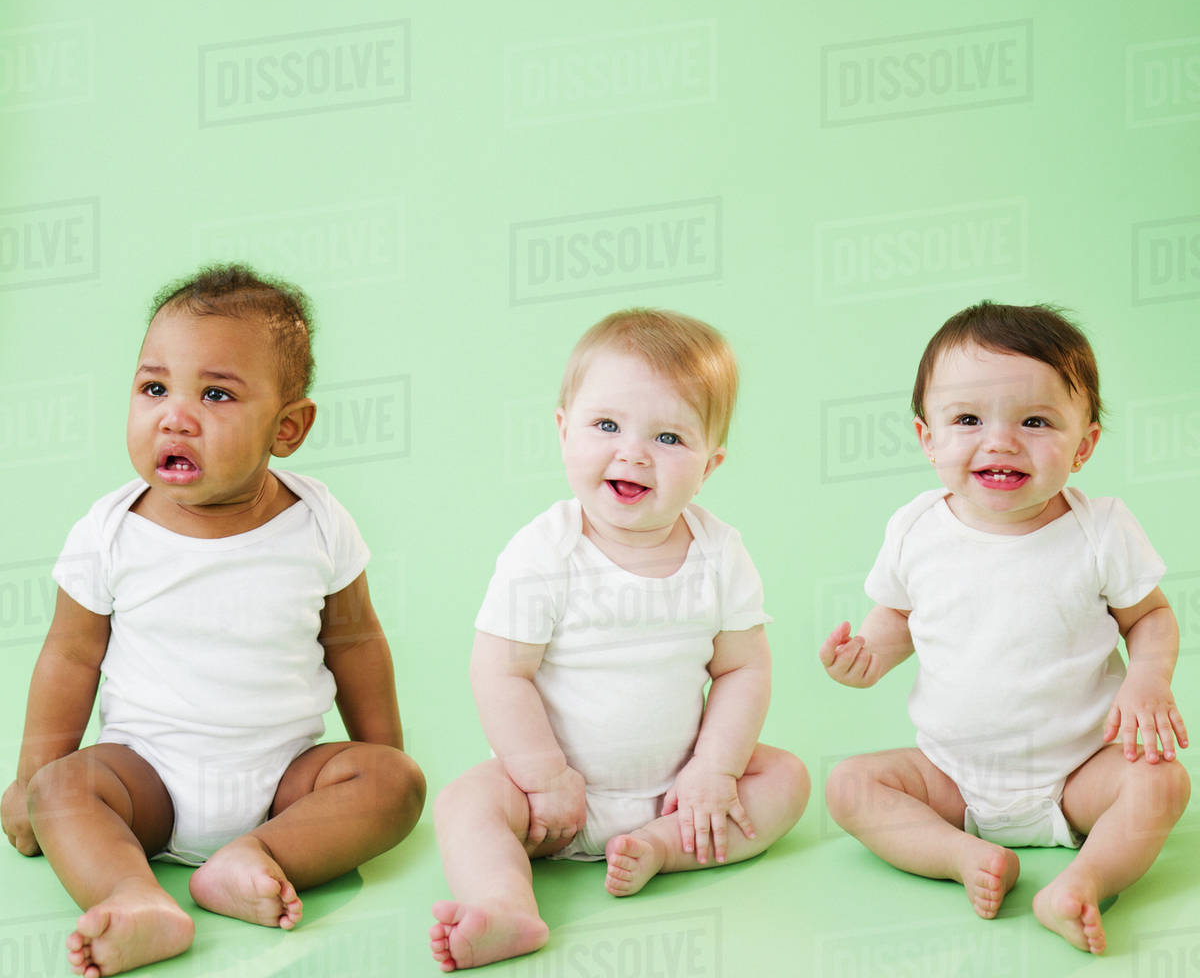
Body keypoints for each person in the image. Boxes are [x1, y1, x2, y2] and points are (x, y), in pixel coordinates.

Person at [1, 264, 425, 978]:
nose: (174, 415)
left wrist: (377, 754)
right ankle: (134, 897)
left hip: (286, 782)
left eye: (217, 394)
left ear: (287, 427)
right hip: (146, 781)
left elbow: (355, 641)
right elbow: (69, 658)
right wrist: (30, 776)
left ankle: (256, 856)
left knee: (399, 783)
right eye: (154, 387)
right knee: (61, 791)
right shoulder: (110, 532)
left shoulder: (317, 522)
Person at [429, 308, 808, 972]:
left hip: (679, 792)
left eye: (668, 437)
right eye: (606, 426)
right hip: (550, 799)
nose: (631, 452)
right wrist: (544, 778)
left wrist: (715, 770)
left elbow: (744, 668)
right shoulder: (545, 550)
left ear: (711, 462)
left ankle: (663, 847)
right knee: (465, 803)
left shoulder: (720, 554)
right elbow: (499, 672)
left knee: (788, 779)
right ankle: (507, 904)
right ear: (562, 431)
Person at [820, 300, 1190, 955]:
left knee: (1163, 782)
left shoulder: (1099, 530)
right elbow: (901, 620)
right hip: (951, 779)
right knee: (851, 786)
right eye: (967, 419)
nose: (1000, 441)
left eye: (1035, 421)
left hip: (1079, 775)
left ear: (1084, 446)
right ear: (926, 437)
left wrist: (1148, 681)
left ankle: (1082, 881)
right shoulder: (915, 529)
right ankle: (958, 855)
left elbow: (1152, 616)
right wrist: (867, 656)